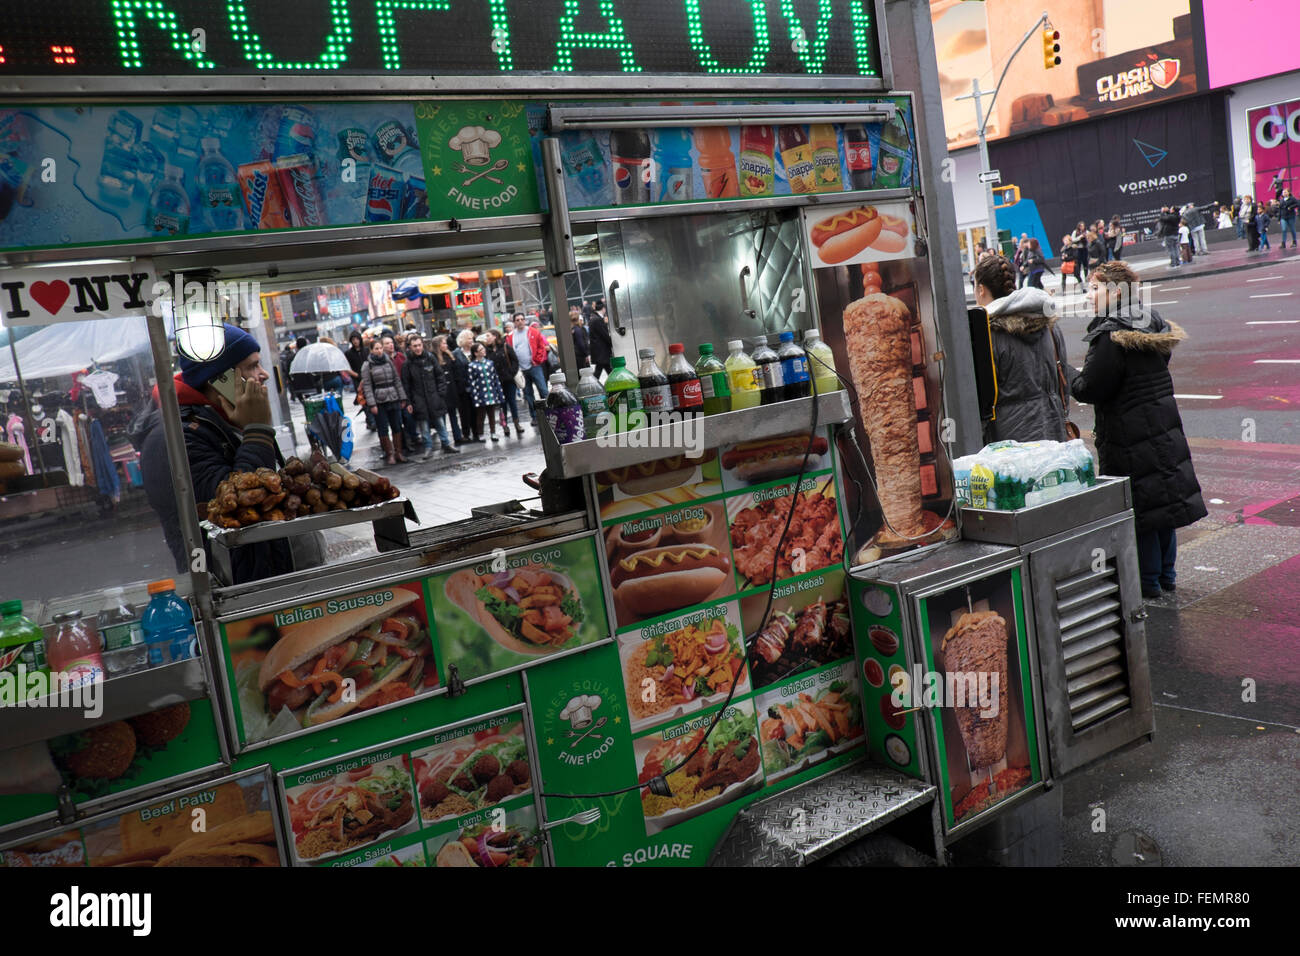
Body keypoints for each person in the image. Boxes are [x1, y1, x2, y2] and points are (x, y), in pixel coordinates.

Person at [1071, 261, 1207, 599]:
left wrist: (1071, 377)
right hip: (1162, 425)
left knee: (1141, 509)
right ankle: (1166, 576)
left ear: (1116, 292)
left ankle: (1147, 586)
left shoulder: (1111, 335)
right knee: (1162, 503)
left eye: (1095, 289)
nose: (1089, 295)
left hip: (1129, 434)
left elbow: (1092, 388)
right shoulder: (1152, 322)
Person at [139, 323, 294, 583]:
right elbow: (235, 504)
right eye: (252, 366)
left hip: (265, 577)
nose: (264, 374)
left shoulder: (226, 420)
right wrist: (257, 430)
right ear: (222, 379)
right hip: (229, 588)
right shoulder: (172, 439)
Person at [972, 255, 1069, 443]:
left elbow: (981, 401)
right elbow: (1063, 381)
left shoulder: (988, 335)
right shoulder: (1048, 325)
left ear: (981, 289)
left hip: (1008, 444)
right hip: (1053, 435)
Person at [399, 334, 459, 458]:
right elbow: (406, 385)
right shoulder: (407, 364)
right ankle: (428, 447)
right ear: (410, 347)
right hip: (418, 399)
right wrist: (409, 402)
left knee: (440, 422)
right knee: (424, 426)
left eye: (419, 345)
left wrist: (441, 393)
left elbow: (439, 376)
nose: (417, 348)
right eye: (414, 346)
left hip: (434, 396)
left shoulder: (430, 358)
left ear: (423, 345)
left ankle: (446, 443)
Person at [361, 338, 411, 465]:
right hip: (379, 400)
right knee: (383, 428)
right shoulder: (368, 365)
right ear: (371, 350)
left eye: (380, 348)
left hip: (393, 397)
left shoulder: (388, 361)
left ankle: (398, 452)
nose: (379, 351)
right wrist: (372, 404)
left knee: (397, 426)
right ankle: (389, 454)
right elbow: (367, 386)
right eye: (376, 348)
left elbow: (396, 380)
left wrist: (402, 397)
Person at [508, 312, 549, 423]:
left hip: (534, 366)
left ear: (525, 320)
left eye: (522, 319)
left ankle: (549, 412)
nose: (520, 321)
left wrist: (537, 360)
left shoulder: (533, 332)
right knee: (528, 394)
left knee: (543, 390)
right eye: (517, 320)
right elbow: (509, 353)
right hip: (521, 370)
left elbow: (541, 347)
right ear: (514, 322)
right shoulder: (511, 336)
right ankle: (534, 416)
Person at [485, 328, 527, 437]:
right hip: (496, 382)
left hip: (509, 380)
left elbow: (515, 361)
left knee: (512, 402)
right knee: (502, 405)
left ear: (495, 336)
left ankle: (517, 423)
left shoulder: (505, 346)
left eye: (488, 336)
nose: (487, 338)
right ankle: (505, 425)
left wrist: (511, 373)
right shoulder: (486, 350)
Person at [468, 342, 505, 441]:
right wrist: (475, 397)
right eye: (481, 350)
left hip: (491, 393)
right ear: (476, 353)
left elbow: (495, 379)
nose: (484, 351)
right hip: (480, 395)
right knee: (481, 416)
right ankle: (480, 434)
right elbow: (472, 383)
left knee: (492, 414)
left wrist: (499, 393)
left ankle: (493, 433)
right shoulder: (472, 366)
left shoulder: (490, 363)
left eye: (483, 349)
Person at [432, 334, 465, 445]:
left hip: (451, 389)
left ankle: (457, 436)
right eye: (443, 343)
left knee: (453, 414)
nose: (446, 345)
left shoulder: (449, 356)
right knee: (442, 417)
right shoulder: (433, 358)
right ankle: (444, 440)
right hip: (441, 391)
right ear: (438, 345)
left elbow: (455, 372)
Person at [452, 329, 482, 442]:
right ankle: (466, 434)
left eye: (472, 338)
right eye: (469, 338)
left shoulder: (475, 351)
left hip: (476, 387)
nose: (471, 340)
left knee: (476, 411)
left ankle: (477, 433)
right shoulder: (456, 353)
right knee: (464, 412)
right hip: (463, 388)